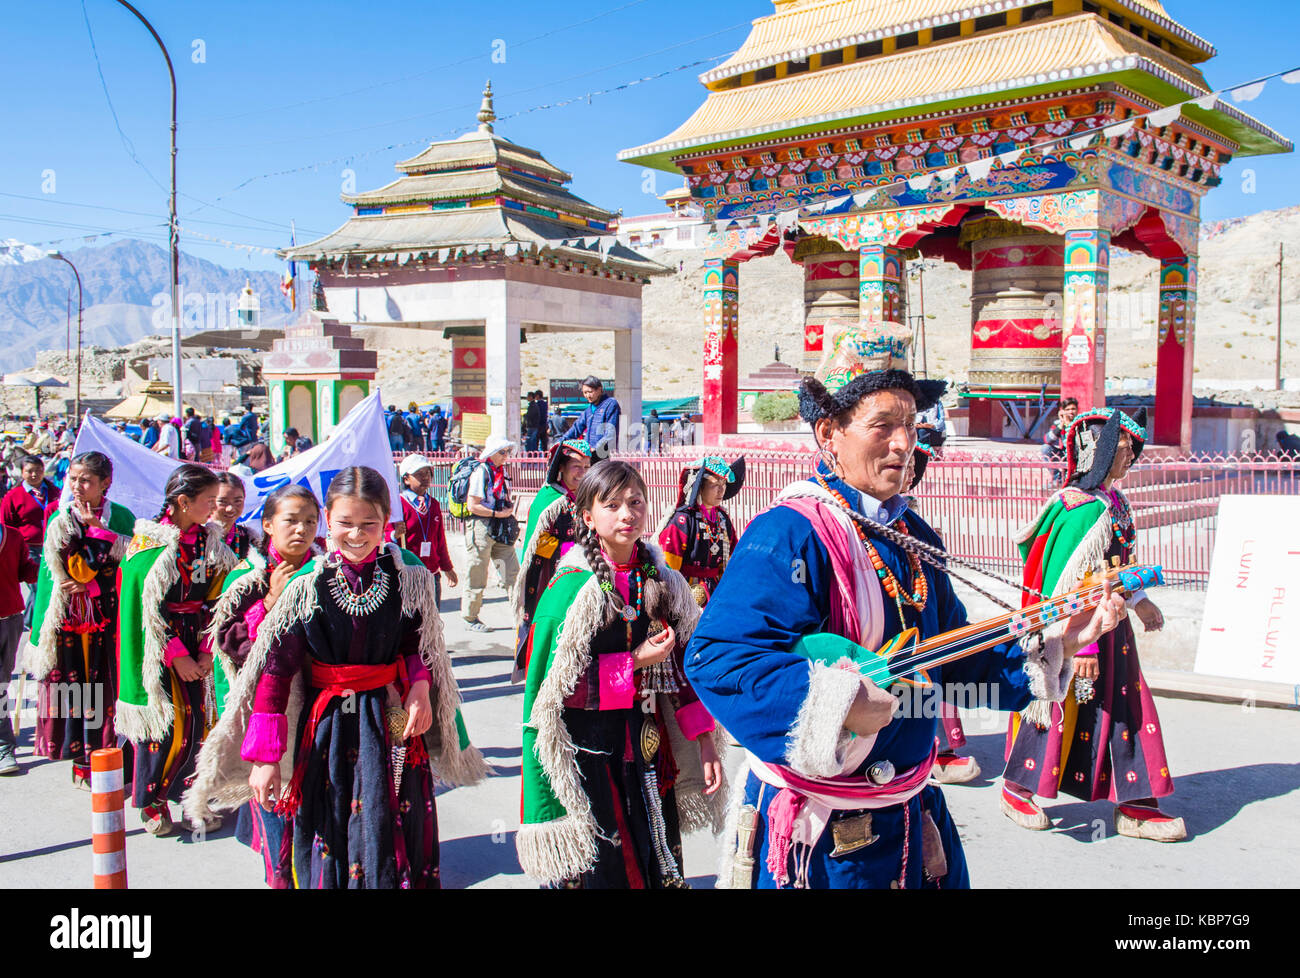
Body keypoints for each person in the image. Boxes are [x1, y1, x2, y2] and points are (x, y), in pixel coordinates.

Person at [683, 369, 1127, 888]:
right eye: (882, 426)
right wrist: (841, 703)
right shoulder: (789, 532)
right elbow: (717, 658)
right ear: (829, 434)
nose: (903, 444)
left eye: (912, 426)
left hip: (910, 817)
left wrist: (1057, 642)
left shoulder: (913, 535)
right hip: (818, 842)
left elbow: (953, 660)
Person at [184, 466, 489, 889]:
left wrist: (420, 686)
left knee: (399, 808)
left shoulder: (409, 578)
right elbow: (275, 674)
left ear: (388, 522)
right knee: (334, 824)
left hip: (394, 712)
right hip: (328, 723)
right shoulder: (305, 586)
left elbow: (417, 645)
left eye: (370, 524)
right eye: (346, 523)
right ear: (328, 519)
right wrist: (267, 758)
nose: (358, 535)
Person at [517, 460, 726, 888]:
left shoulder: (664, 581)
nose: (627, 514)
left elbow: (686, 668)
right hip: (591, 754)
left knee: (660, 857)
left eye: (635, 502)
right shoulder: (570, 592)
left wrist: (705, 741)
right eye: (611, 505)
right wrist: (634, 663)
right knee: (612, 868)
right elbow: (553, 696)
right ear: (587, 517)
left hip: (650, 747)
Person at [1001, 407, 1184, 841]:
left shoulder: (1114, 501)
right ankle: (1017, 788)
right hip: (1075, 632)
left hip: (1112, 626)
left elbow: (1116, 567)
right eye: (1120, 450)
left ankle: (1137, 804)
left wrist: (1139, 602)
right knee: (1054, 701)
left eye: (1131, 452)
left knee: (1126, 709)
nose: (1129, 460)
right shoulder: (1080, 509)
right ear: (1095, 453)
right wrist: (1080, 646)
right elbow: (1065, 585)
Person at [203, 483, 321, 888]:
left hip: (320, 706)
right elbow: (231, 646)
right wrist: (270, 602)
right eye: (290, 521)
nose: (301, 530)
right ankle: (280, 878)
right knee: (276, 802)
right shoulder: (247, 579)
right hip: (270, 712)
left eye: (310, 521)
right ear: (268, 524)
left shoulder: (326, 571)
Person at [116, 464, 238, 836]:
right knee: (165, 727)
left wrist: (205, 650)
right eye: (208, 501)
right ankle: (152, 801)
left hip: (199, 637)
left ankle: (191, 799)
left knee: (200, 724)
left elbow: (220, 597)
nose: (215, 508)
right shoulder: (147, 545)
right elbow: (144, 607)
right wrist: (177, 655)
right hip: (160, 648)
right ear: (183, 502)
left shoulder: (208, 543)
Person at [27, 452, 137, 788]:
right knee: (72, 691)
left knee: (107, 691)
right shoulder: (58, 517)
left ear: (106, 483)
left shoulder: (120, 517)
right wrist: (40, 627)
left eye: (86, 480)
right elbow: (51, 575)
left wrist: (100, 534)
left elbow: (133, 565)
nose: (77, 486)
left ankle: (107, 758)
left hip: (108, 618)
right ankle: (79, 760)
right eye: (73, 479)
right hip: (69, 623)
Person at [511, 439, 592, 678]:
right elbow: (536, 544)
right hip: (552, 575)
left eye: (587, 467)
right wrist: (572, 548)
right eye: (577, 466)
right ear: (562, 468)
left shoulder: (588, 497)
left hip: (586, 571)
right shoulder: (548, 500)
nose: (582, 472)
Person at [657, 456, 744, 608]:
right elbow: (668, 568)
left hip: (717, 592)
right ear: (699, 486)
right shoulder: (683, 520)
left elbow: (731, 556)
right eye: (714, 485)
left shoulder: (722, 518)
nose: (721, 490)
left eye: (723, 484)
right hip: (686, 593)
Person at [461, 435, 520, 632]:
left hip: (500, 529)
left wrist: (506, 511)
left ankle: (521, 617)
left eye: (508, 452)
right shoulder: (481, 472)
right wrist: (496, 513)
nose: (506, 456)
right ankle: (470, 618)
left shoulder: (500, 473)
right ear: (492, 453)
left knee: (511, 573)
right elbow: (473, 505)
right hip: (482, 527)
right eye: (503, 452)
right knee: (477, 571)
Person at [1, 454, 59, 629]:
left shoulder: (54, 492)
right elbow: (6, 525)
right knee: (37, 586)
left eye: (38, 470)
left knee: (48, 583)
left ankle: (33, 620)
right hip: (28, 547)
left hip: (52, 546)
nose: (34, 474)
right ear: (22, 473)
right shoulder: (13, 496)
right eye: (30, 471)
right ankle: (31, 621)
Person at [0, 515, 39, 775]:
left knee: (3, 680)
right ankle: (4, 747)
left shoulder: (12, 536)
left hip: (10, 618)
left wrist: (47, 567)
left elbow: (24, 570)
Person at [392, 454, 457, 606]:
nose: (425, 477)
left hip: (431, 573)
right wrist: (393, 534)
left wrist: (447, 567)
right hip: (408, 573)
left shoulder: (433, 504)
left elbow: (439, 540)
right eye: (419, 474)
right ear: (406, 479)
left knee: (432, 619)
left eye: (428, 473)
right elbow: (386, 539)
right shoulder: (398, 505)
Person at [561, 376, 621, 457]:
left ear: (599, 390)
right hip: (588, 454)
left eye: (590, 392)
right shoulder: (588, 410)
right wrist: (560, 443)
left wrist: (595, 448)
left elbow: (610, 433)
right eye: (585, 393)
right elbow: (575, 429)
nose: (587, 396)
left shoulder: (611, 404)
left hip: (602, 455)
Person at [213, 472, 253, 561]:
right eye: (222, 501)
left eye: (238, 501)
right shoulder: (199, 535)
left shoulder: (249, 538)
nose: (230, 509)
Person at [1042, 397, 1079, 486]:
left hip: (1077, 454)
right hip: (1064, 455)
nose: (1071, 412)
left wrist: (1068, 424)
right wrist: (1062, 424)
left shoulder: (1081, 422)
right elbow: (1048, 439)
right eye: (1068, 409)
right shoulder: (1059, 423)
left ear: (1077, 410)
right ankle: (1057, 479)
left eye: (1073, 409)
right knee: (1045, 448)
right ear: (1063, 411)